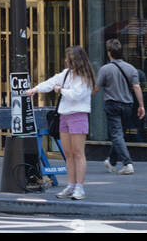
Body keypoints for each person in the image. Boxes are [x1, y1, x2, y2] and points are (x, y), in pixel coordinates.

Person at [30, 45, 97, 200]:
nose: (66, 60)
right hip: (64, 116)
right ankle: (71, 185)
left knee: (78, 153)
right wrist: (35, 89)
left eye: (70, 58)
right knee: (68, 154)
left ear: (77, 60)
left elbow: (77, 95)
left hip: (78, 115)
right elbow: (51, 81)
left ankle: (79, 187)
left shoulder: (85, 77)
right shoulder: (67, 74)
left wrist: (60, 90)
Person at [98, 39, 145, 175]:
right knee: (119, 134)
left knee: (117, 134)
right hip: (127, 105)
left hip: (112, 105)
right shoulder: (131, 68)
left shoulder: (105, 69)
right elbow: (136, 87)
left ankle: (127, 163)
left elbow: (96, 88)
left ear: (109, 53)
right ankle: (111, 161)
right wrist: (141, 105)